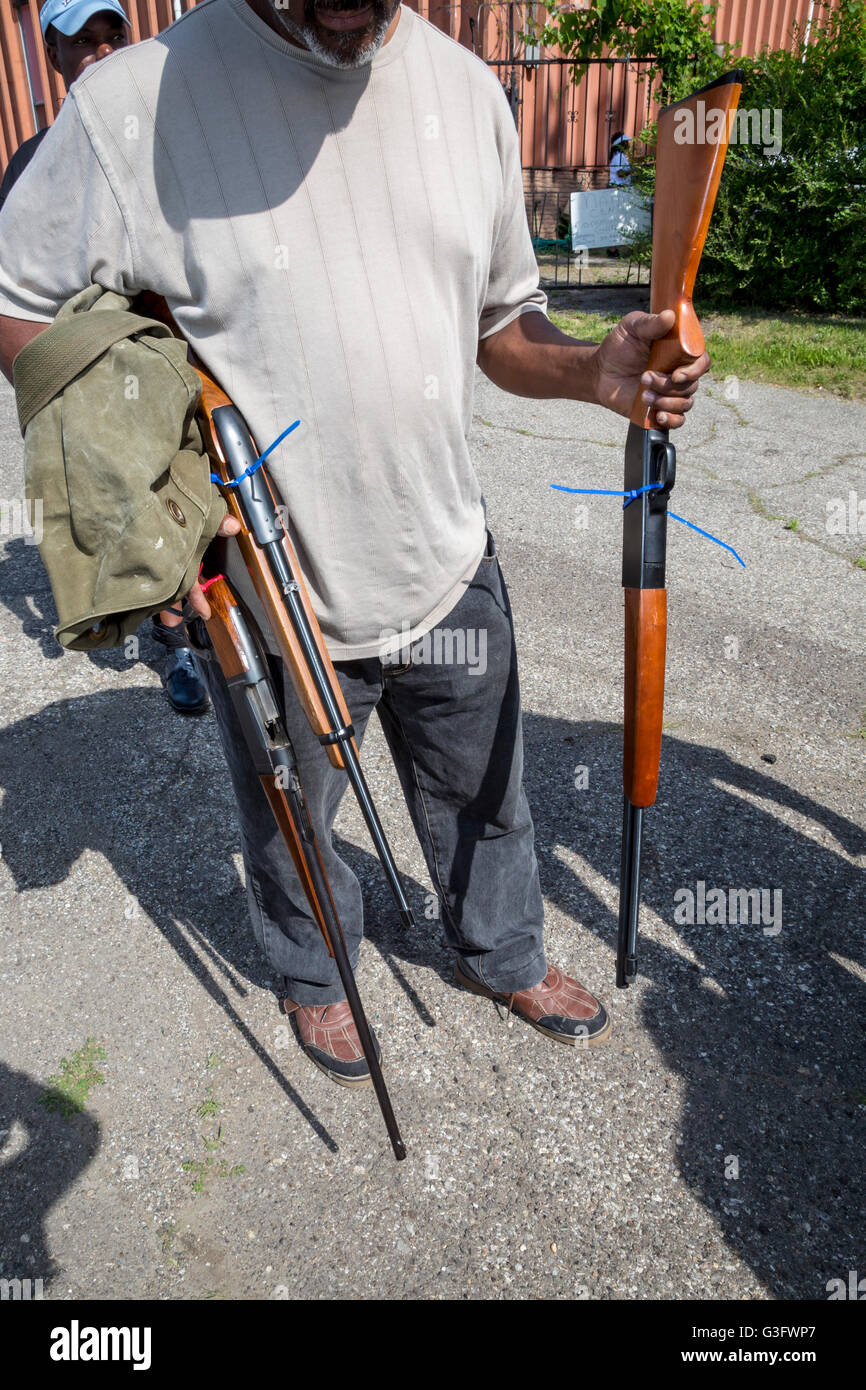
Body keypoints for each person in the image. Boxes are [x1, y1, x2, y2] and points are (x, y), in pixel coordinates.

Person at [0, 0, 707, 1087]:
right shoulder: (132, 101)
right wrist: (143, 511)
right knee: (294, 814)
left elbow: (501, 328)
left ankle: (500, 950)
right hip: (273, 584)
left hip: (444, 553)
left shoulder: (466, 95)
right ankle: (317, 973)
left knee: (487, 793)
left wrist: (588, 371)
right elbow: (20, 308)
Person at [0, 0, 209, 715]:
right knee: (143, 501)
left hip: (182, 349)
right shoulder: (32, 167)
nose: (98, 50)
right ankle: (173, 641)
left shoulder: (161, 135)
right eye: (79, 40)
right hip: (109, 373)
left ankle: (221, 625)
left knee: (212, 497)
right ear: (53, 55)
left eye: (111, 34)